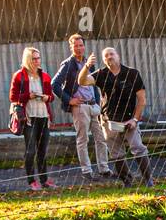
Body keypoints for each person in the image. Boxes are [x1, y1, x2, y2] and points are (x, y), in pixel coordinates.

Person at [78, 46, 153, 187]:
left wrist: (135, 119)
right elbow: (81, 81)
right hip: (109, 121)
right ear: (103, 59)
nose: (109, 57)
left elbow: (142, 99)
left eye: (111, 54)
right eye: (105, 56)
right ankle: (127, 181)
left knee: (138, 148)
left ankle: (148, 180)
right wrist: (87, 66)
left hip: (129, 119)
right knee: (116, 154)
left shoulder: (132, 73)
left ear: (118, 55)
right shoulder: (101, 74)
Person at [53, 34, 111, 180]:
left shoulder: (89, 63)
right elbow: (54, 84)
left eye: (81, 45)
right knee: (83, 139)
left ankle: (104, 169)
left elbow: (95, 82)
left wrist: (98, 102)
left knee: (101, 138)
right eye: (75, 46)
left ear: (84, 46)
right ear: (71, 47)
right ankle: (87, 171)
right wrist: (69, 100)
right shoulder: (68, 64)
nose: (79, 48)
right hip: (80, 107)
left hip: (93, 105)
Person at [9, 47, 54, 190]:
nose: (37, 61)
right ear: (27, 60)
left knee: (43, 150)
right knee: (30, 151)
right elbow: (13, 97)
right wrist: (29, 96)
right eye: (34, 58)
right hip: (28, 118)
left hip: (43, 117)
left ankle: (44, 180)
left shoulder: (45, 76)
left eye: (38, 58)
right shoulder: (19, 76)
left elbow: (51, 97)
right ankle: (31, 181)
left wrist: (47, 97)